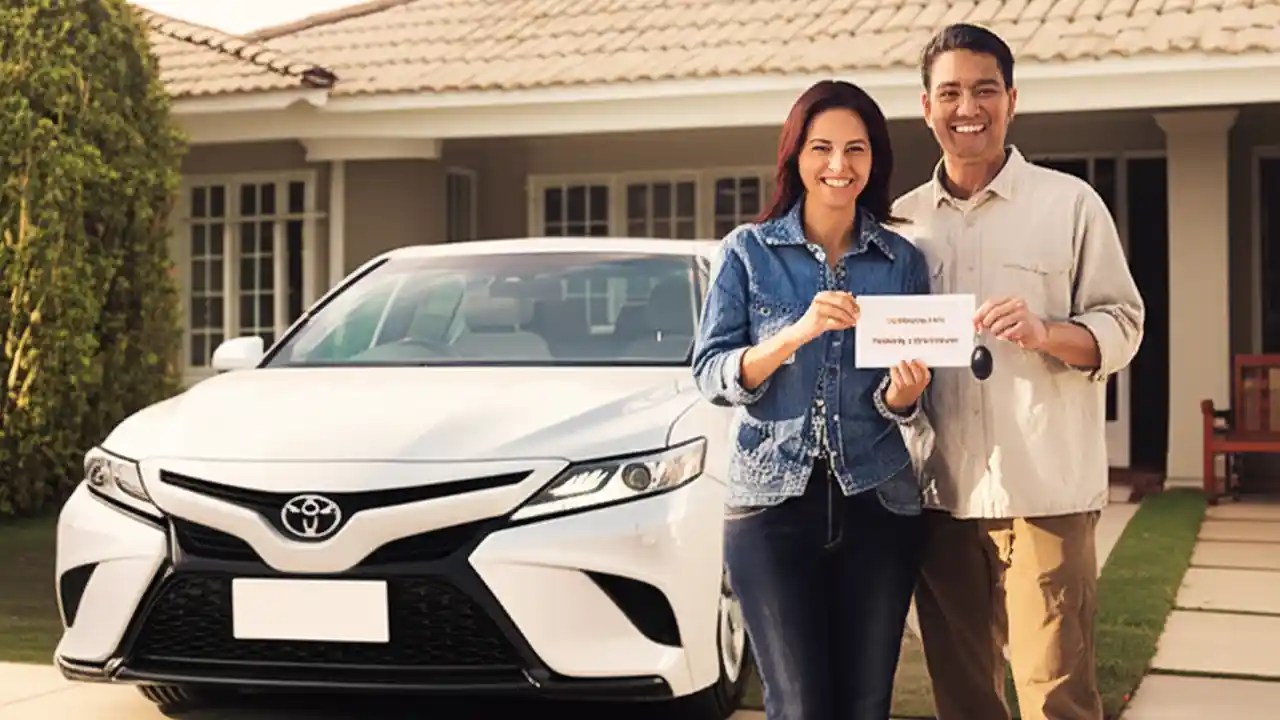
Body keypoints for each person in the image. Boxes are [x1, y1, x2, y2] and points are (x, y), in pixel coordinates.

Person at [890, 23, 1145, 720]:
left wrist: (1047, 332)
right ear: (926, 106)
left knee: (1057, 697)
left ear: (1011, 99)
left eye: (983, 90)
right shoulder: (899, 224)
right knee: (964, 698)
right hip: (940, 493)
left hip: (1046, 492)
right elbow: (884, 370)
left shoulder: (1070, 206)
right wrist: (895, 387)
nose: (966, 106)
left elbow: (1123, 325)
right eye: (950, 92)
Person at [691, 79, 933, 720]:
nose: (838, 165)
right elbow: (712, 374)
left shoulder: (901, 260)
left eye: (856, 149)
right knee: (798, 704)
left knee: (864, 704)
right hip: (770, 510)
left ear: (873, 159)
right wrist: (796, 332)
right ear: (795, 156)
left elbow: (898, 401)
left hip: (878, 504)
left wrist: (904, 395)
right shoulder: (747, 253)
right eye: (821, 147)